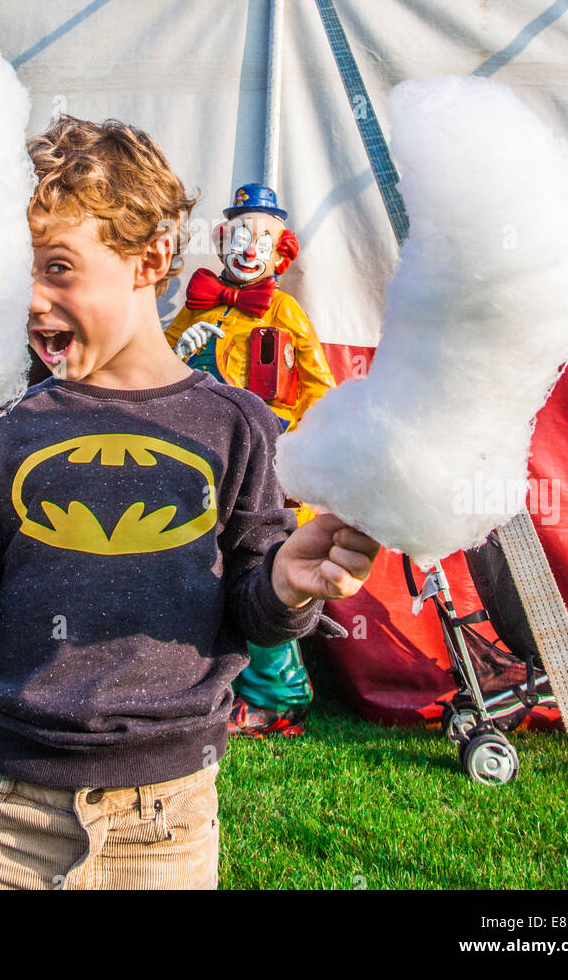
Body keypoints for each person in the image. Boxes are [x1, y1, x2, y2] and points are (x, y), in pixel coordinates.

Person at [0, 117, 378, 891]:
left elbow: (251, 610)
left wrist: (285, 583)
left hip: (164, 819)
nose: (33, 300)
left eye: (60, 268)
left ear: (153, 259)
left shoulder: (234, 425)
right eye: (17, 273)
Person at [165, 184, 337, 738]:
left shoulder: (284, 312)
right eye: (240, 232)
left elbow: (323, 392)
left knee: (264, 571)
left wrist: (294, 447)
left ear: (279, 250)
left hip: (263, 467)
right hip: (203, 466)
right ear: (222, 240)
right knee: (205, 572)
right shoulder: (195, 308)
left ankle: (279, 699)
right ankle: (213, 687)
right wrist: (179, 349)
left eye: (261, 236)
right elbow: (148, 377)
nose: (249, 245)